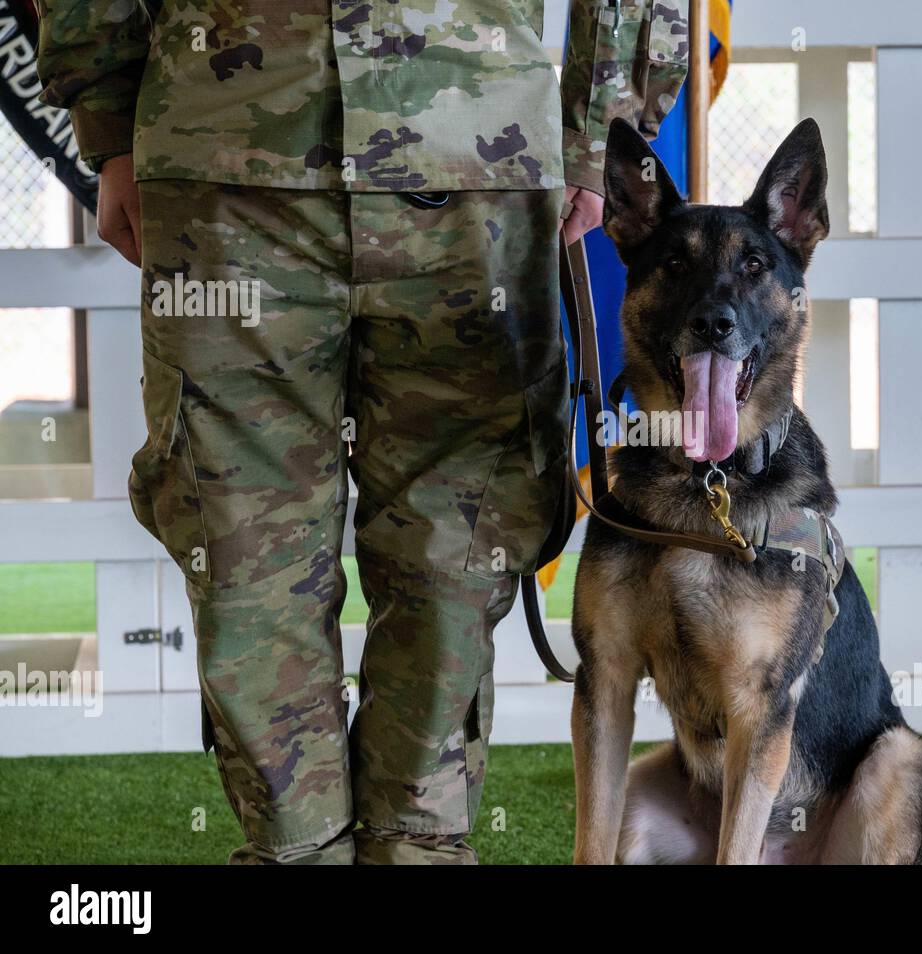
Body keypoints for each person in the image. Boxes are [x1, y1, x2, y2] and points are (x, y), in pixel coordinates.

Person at [35, 0, 688, 864]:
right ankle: (295, 851)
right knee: (241, 554)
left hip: (474, 157)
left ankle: (415, 851)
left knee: (458, 548)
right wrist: (109, 119)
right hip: (228, 157)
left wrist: (597, 128)